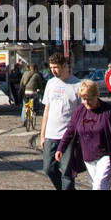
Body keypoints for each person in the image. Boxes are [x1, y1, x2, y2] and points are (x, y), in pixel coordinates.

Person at [56, 78, 111, 190]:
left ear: (96, 95)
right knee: (97, 185)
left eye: (89, 99)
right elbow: (70, 130)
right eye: (83, 99)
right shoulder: (79, 111)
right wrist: (61, 148)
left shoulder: (108, 112)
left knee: (99, 187)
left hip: (106, 155)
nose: (86, 102)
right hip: (88, 156)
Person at [40, 52, 82, 190]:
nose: (53, 70)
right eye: (51, 67)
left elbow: (82, 113)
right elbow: (47, 109)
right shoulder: (50, 83)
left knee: (67, 173)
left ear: (65, 66)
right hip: (51, 135)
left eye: (56, 67)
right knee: (48, 169)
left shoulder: (77, 85)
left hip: (68, 136)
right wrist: (42, 134)